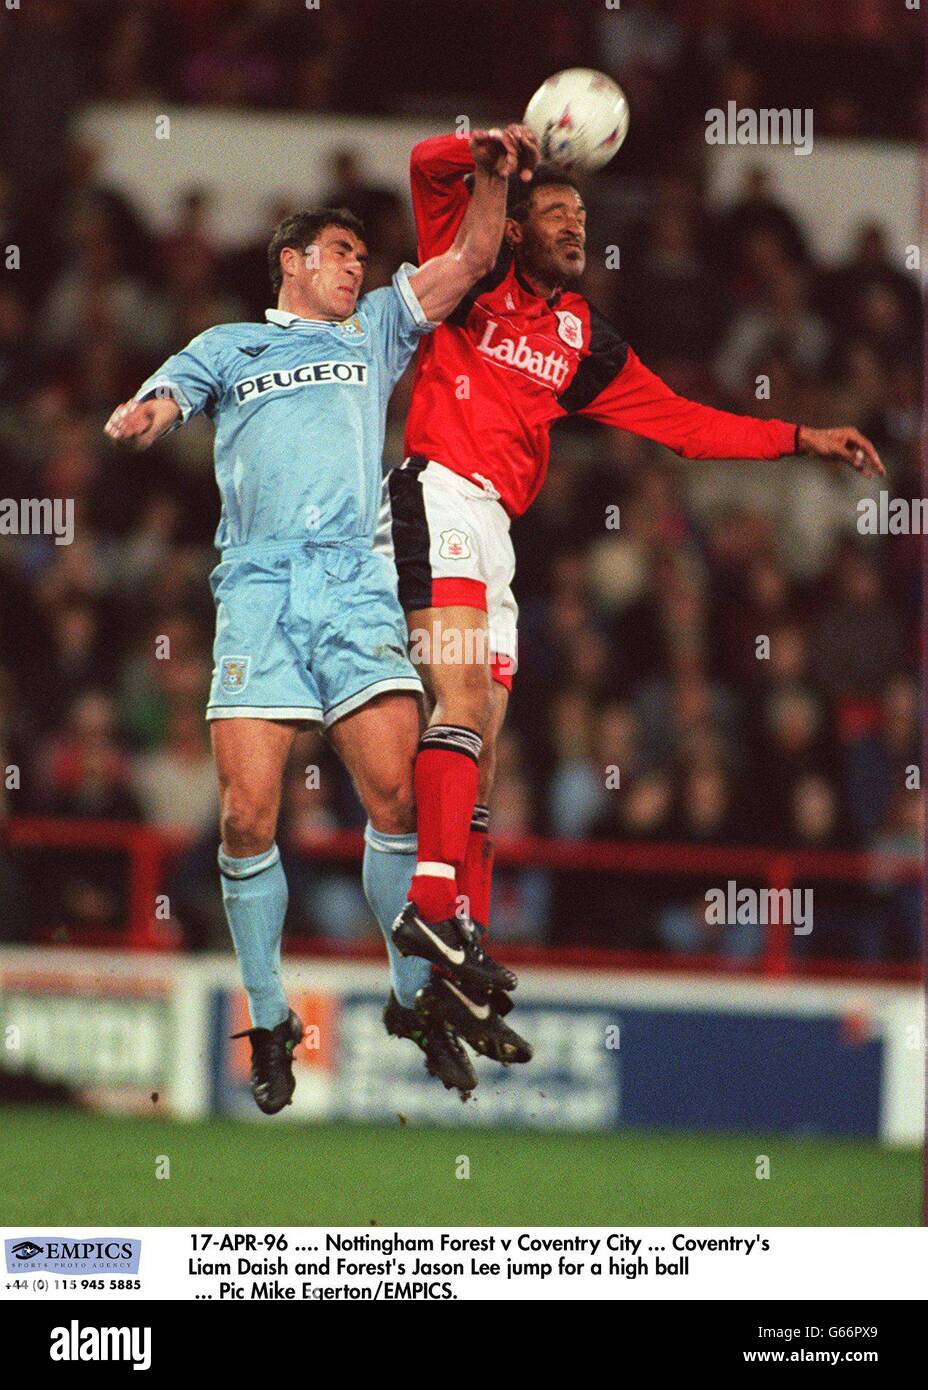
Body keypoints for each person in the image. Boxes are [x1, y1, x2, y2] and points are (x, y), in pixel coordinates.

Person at [378, 133, 884, 1048]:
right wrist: (485, 152)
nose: (576, 228)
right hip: (435, 490)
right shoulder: (473, 272)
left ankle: (451, 975)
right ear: (517, 227)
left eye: (583, 217)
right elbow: (425, 163)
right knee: (456, 705)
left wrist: (801, 436)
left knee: (485, 755)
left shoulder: (582, 336)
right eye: (558, 215)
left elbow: (687, 427)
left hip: (496, 529)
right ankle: (430, 911)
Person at [104, 126, 536, 1111]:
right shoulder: (231, 344)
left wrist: (489, 178)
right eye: (341, 253)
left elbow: (470, 259)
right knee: (247, 813)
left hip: (350, 583)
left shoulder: (375, 329)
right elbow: (173, 387)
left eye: (360, 255)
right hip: (256, 589)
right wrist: (149, 410)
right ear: (294, 262)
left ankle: (412, 999)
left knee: (396, 802)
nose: (357, 266)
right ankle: (270, 1013)